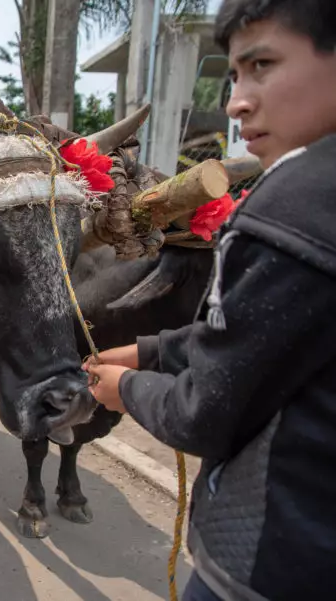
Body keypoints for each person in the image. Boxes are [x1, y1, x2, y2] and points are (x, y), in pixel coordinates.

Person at [84, 2, 336, 600]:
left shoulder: (284, 210)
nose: (236, 102)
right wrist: (151, 351)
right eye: (234, 76)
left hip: (268, 564)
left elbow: (203, 412)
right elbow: (266, 338)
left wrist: (123, 389)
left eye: (263, 65)